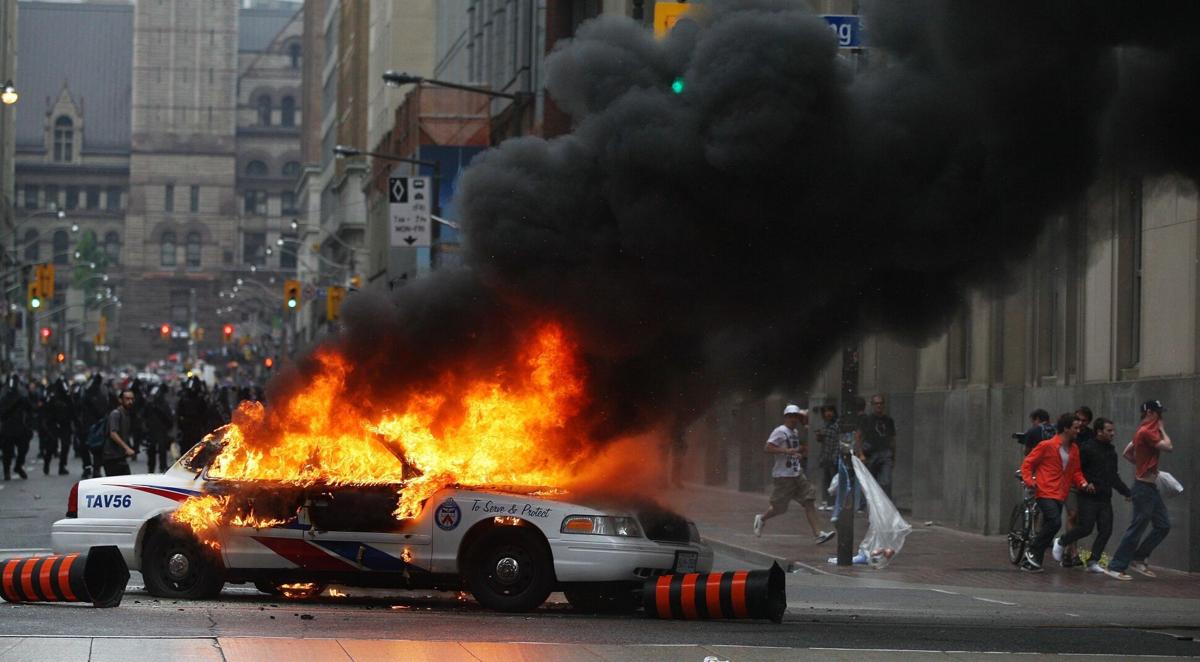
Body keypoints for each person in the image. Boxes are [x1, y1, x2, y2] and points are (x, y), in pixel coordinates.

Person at [1105, 400, 1173, 581]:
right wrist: (1163, 430)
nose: (1161, 417)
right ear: (1150, 413)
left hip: (1149, 487)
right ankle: (1116, 565)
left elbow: (1128, 452)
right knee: (1137, 527)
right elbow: (1168, 447)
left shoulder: (1142, 431)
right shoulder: (1147, 432)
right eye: (1159, 413)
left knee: (1163, 525)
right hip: (1143, 488)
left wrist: (1143, 465)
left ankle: (1138, 557)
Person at [1054, 417, 1130, 573]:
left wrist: (1126, 491)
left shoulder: (1111, 451)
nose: (1112, 434)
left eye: (1113, 430)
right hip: (1088, 496)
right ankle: (1062, 541)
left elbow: (1113, 476)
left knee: (1106, 529)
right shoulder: (1087, 449)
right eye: (1109, 431)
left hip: (1104, 496)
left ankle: (1093, 560)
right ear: (1099, 431)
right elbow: (1076, 470)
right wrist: (1085, 484)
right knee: (1086, 527)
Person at [1019, 413, 1093, 572]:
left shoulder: (1074, 449)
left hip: (1060, 493)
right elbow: (1028, 463)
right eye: (1075, 428)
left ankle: (1032, 562)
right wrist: (1030, 481)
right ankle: (1032, 550)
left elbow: (1076, 472)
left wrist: (1084, 483)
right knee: (1055, 522)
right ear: (1066, 428)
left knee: (1049, 525)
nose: (1078, 431)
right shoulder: (1047, 445)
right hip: (1045, 490)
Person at [753, 404, 835, 544]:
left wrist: (798, 453)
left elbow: (793, 450)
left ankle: (818, 534)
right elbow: (768, 447)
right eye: (790, 416)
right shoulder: (780, 431)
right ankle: (761, 518)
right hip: (783, 476)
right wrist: (785, 451)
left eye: (795, 416)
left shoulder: (795, 432)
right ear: (785, 417)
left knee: (809, 500)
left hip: (796, 473)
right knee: (779, 508)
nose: (793, 419)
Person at [1060, 406, 1097, 567]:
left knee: (1082, 521)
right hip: (1071, 481)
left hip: (1085, 481)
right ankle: (1072, 551)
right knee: (1072, 514)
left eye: (1084, 420)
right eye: (1078, 419)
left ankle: (1067, 549)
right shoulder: (1069, 436)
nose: (1080, 424)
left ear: (1089, 422)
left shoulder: (1091, 436)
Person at [861, 394, 896, 498]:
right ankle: (872, 509)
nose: (879, 406)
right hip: (871, 454)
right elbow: (858, 436)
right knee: (871, 484)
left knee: (886, 483)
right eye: (876, 403)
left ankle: (885, 509)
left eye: (881, 403)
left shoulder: (889, 420)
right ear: (872, 405)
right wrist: (861, 454)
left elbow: (893, 439)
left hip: (885, 454)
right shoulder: (867, 420)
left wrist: (893, 456)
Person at [0, 375, 34, 480]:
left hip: (20, 426)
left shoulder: (22, 395)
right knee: (7, 452)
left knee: (23, 449)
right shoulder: (3, 395)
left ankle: (18, 466)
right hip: (7, 427)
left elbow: (30, 408)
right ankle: (7, 471)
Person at [44, 379, 76, 476]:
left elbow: (72, 410)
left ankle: (62, 466)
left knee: (65, 445)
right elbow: (47, 411)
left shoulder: (67, 397)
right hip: (54, 424)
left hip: (65, 424)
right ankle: (47, 463)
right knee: (51, 446)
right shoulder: (52, 398)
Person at [102, 390, 137, 477]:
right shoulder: (116, 414)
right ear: (120, 400)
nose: (130, 402)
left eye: (132, 399)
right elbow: (113, 433)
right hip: (111, 457)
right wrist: (127, 448)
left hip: (120, 456)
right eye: (127, 399)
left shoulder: (127, 414)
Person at [143, 384, 175, 473]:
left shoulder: (163, 404)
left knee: (162, 451)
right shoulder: (149, 404)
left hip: (161, 431)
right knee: (152, 451)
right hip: (152, 431)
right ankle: (152, 470)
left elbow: (169, 419)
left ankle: (162, 468)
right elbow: (144, 416)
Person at [815, 404, 840, 511]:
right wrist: (819, 436)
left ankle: (833, 502)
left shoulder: (836, 425)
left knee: (833, 481)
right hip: (825, 456)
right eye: (826, 411)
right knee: (826, 480)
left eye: (830, 411)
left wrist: (835, 457)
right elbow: (822, 441)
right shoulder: (825, 425)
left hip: (833, 456)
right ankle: (825, 501)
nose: (828, 413)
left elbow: (837, 442)